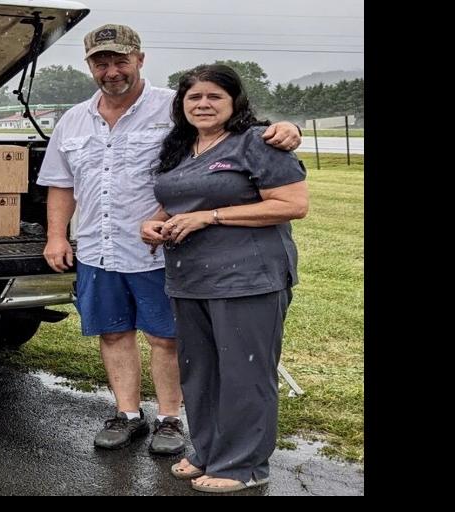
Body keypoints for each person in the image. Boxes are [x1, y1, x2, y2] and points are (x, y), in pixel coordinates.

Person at [37, 24, 301, 456]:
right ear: (89, 66)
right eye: (101, 63)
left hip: (160, 249)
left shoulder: (174, 108)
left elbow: (230, 132)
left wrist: (285, 129)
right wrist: (55, 236)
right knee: (113, 332)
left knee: (167, 337)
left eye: (121, 61)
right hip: (97, 248)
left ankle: (169, 418)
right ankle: (126, 414)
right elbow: (60, 185)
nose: (112, 71)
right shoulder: (73, 120)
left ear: (140, 59)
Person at [140, 63, 308, 491]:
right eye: (194, 97)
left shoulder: (257, 142)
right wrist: (153, 222)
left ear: (235, 102)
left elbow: (292, 204)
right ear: (181, 104)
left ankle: (244, 466)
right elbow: (179, 199)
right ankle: (209, 452)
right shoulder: (181, 147)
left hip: (248, 278)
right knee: (200, 372)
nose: (203, 104)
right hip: (189, 278)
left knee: (244, 373)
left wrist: (209, 217)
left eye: (214, 96)